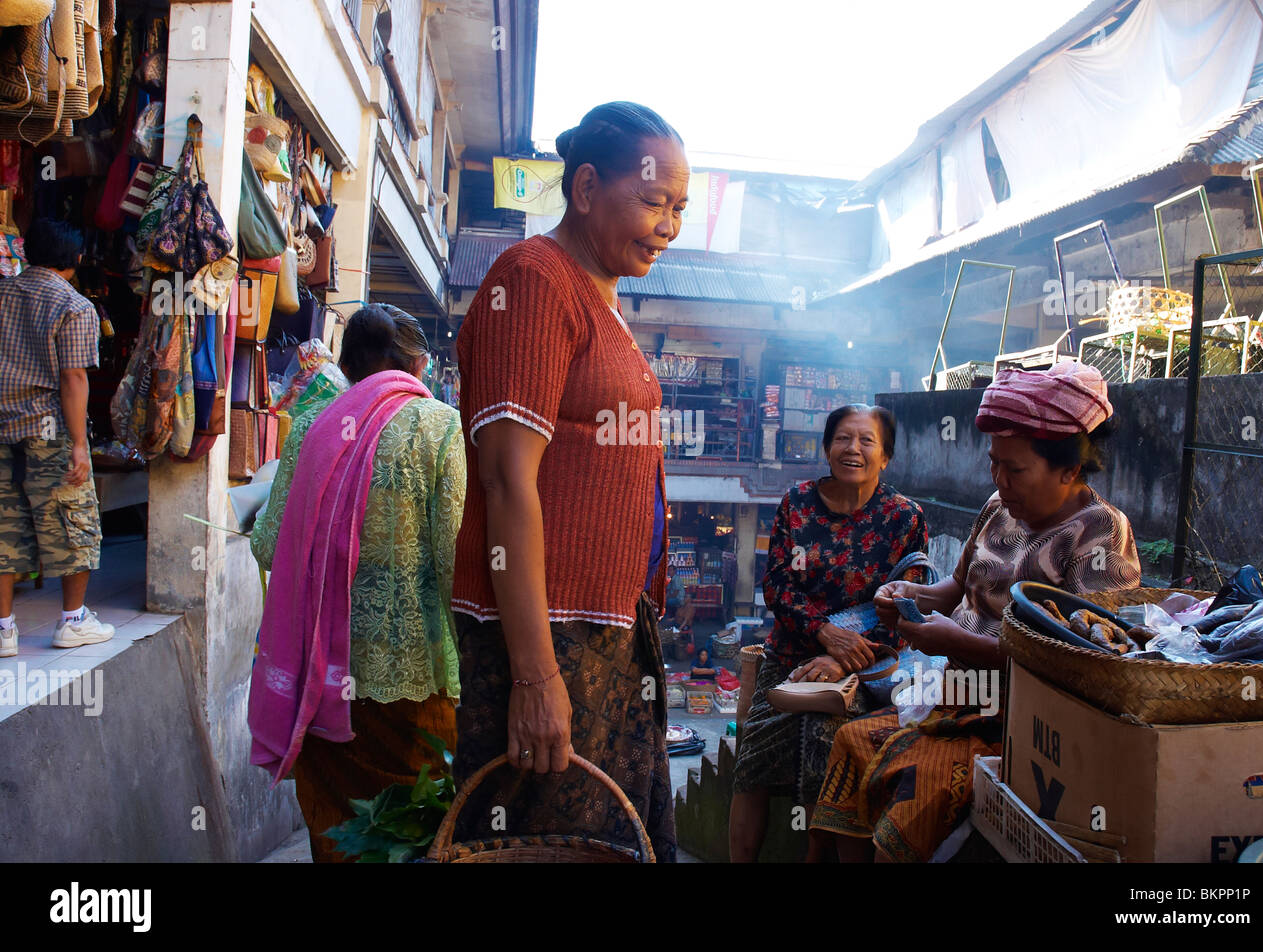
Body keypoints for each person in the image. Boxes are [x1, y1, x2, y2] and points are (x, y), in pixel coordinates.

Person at [451, 101, 689, 861]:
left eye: (678, 208)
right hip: (550, 638)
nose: (668, 225)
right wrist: (534, 677)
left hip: (606, 634)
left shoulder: (600, 298)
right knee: (548, 841)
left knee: (607, 840)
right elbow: (504, 481)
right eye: (653, 201)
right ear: (585, 188)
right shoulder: (533, 280)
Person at [811, 361, 1142, 862]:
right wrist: (908, 595)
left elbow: (1085, 665)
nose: (1000, 480)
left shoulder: (1100, 535)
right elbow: (957, 588)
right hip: (955, 697)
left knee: (913, 790)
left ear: (1070, 470)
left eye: (1016, 469)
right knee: (850, 744)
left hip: (1015, 722)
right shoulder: (998, 507)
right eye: (995, 464)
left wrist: (956, 644)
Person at [248, 304, 465, 862]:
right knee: (414, 835)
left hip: (318, 684)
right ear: (418, 365)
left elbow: (270, 546)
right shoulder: (440, 427)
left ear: (346, 365)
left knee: (339, 836)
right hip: (412, 685)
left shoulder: (314, 428)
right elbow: (454, 563)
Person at [729, 404, 928, 862]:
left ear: (886, 457)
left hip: (865, 667)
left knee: (834, 758)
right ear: (826, 447)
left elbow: (906, 605)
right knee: (753, 761)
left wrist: (841, 658)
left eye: (866, 441)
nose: (852, 449)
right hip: (790, 657)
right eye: (842, 438)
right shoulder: (797, 504)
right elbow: (778, 583)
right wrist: (824, 634)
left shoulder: (904, 519)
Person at [0, 218, 114, 658]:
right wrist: (80, 445)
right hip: (47, 430)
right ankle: (72, 621)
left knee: (5, 526)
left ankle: (5, 628)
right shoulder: (73, 305)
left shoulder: (4, 293)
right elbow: (72, 378)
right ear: (77, 259)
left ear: (28, 251)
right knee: (73, 522)